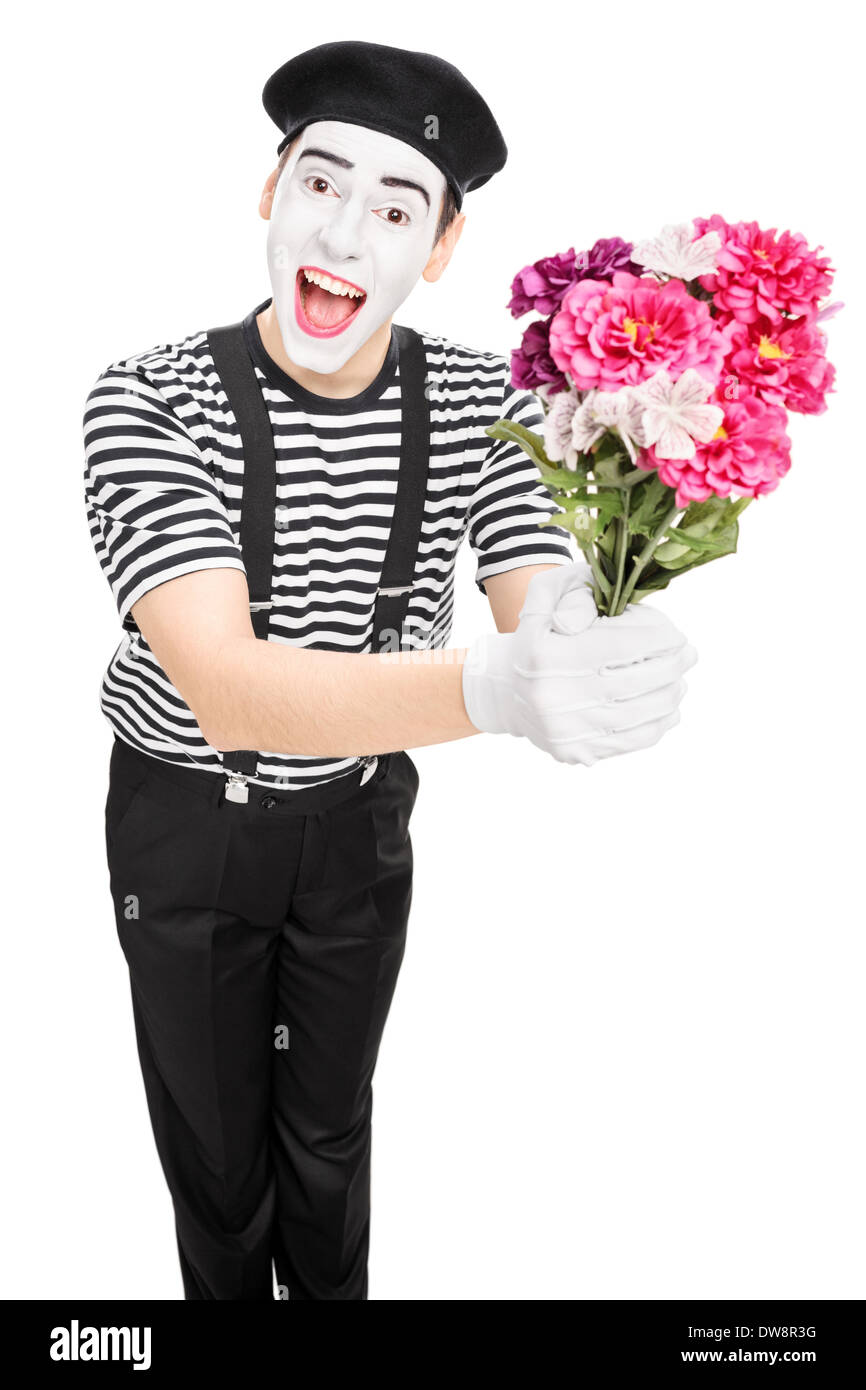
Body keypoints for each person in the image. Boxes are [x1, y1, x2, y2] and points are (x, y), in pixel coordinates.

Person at [82, 40, 696, 1301]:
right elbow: (228, 685)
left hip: (357, 822)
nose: (349, 233)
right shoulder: (144, 400)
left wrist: (601, 617)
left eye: (396, 205)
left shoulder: (484, 404)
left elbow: (539, 593)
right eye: (322, 184)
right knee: (218, 1164)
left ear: (444, 245)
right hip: (185, 824)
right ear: (271, 195)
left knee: (326, 1141)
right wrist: (491, 693)